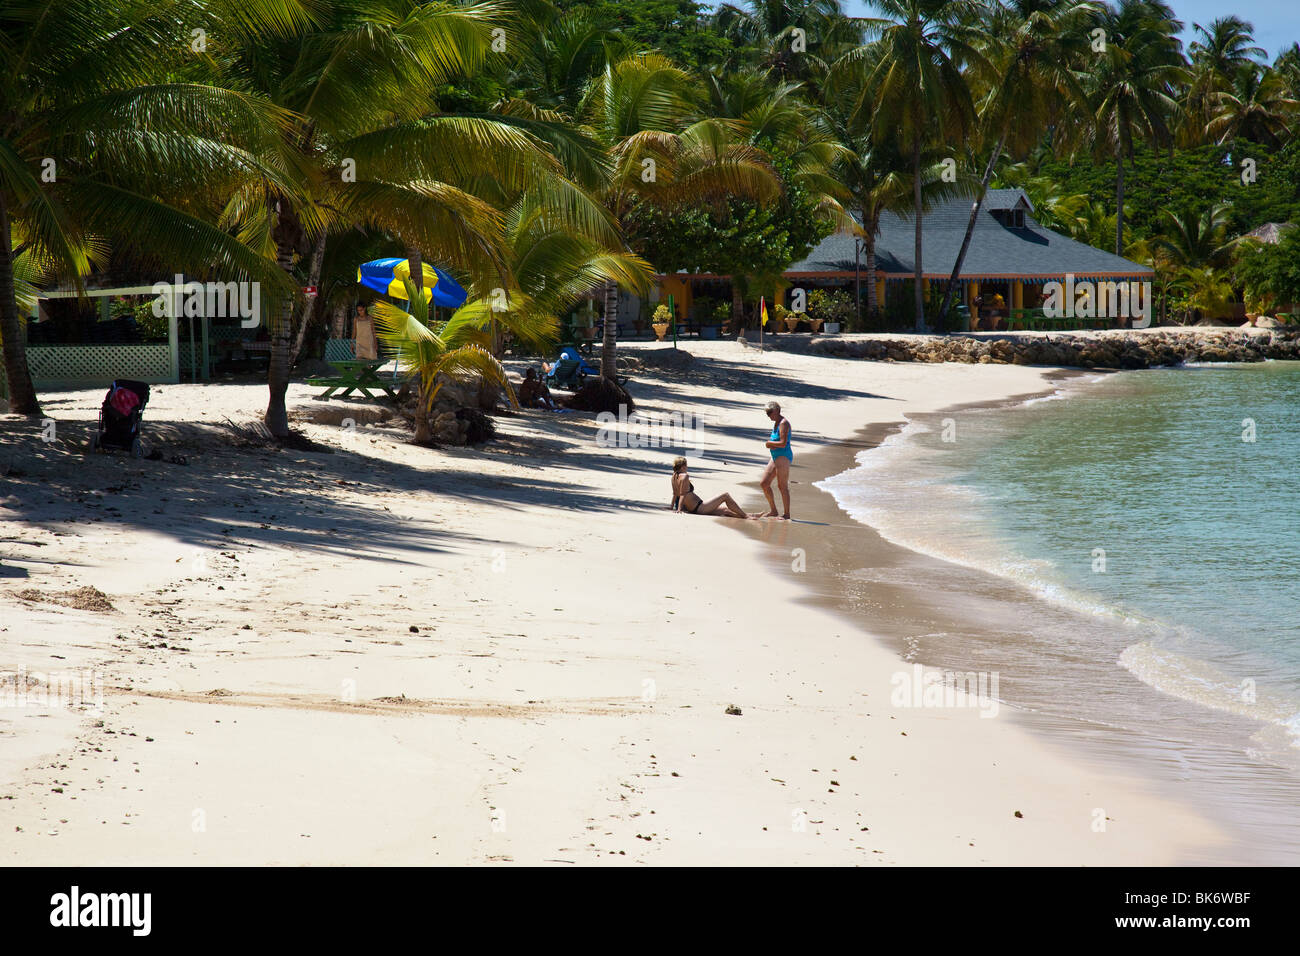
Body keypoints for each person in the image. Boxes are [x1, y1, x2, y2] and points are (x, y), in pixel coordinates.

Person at [670, 458, 751, 518]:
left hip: (695, 508)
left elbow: (675, 494)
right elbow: (682, 494)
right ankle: (746, 516)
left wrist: (672, 507)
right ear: (683, 467)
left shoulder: (674, 477)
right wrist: (679, 509)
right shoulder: (685, 476)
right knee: (725, 495)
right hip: (699, 507)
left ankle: (750, 516)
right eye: (686, 465)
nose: (687, 467)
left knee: (725, 510)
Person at [761, 401, 792, 519]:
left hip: (783, 457)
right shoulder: (776, 423)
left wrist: (769, 443)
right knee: (764, 483)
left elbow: (783, 443)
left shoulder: (784, 423)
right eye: (767, 413)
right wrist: (771, 445)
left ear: (777, 411)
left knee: (782, 486)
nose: (768, 415)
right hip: (775, 457)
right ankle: (773, 510)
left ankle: (786, 514)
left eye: (770, 412)